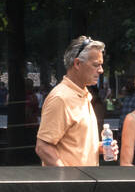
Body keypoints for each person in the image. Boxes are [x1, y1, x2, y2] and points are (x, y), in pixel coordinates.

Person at [36, 36, 118, 166]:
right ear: (77, 64)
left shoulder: (83, 94)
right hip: (71, 185)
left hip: (85, 184)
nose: (101, 70)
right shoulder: (60, 98)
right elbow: (43, 148)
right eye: (96, 65)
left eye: (101, 65)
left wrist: (98, 148)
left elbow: (73, 144)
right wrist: (68, 181)